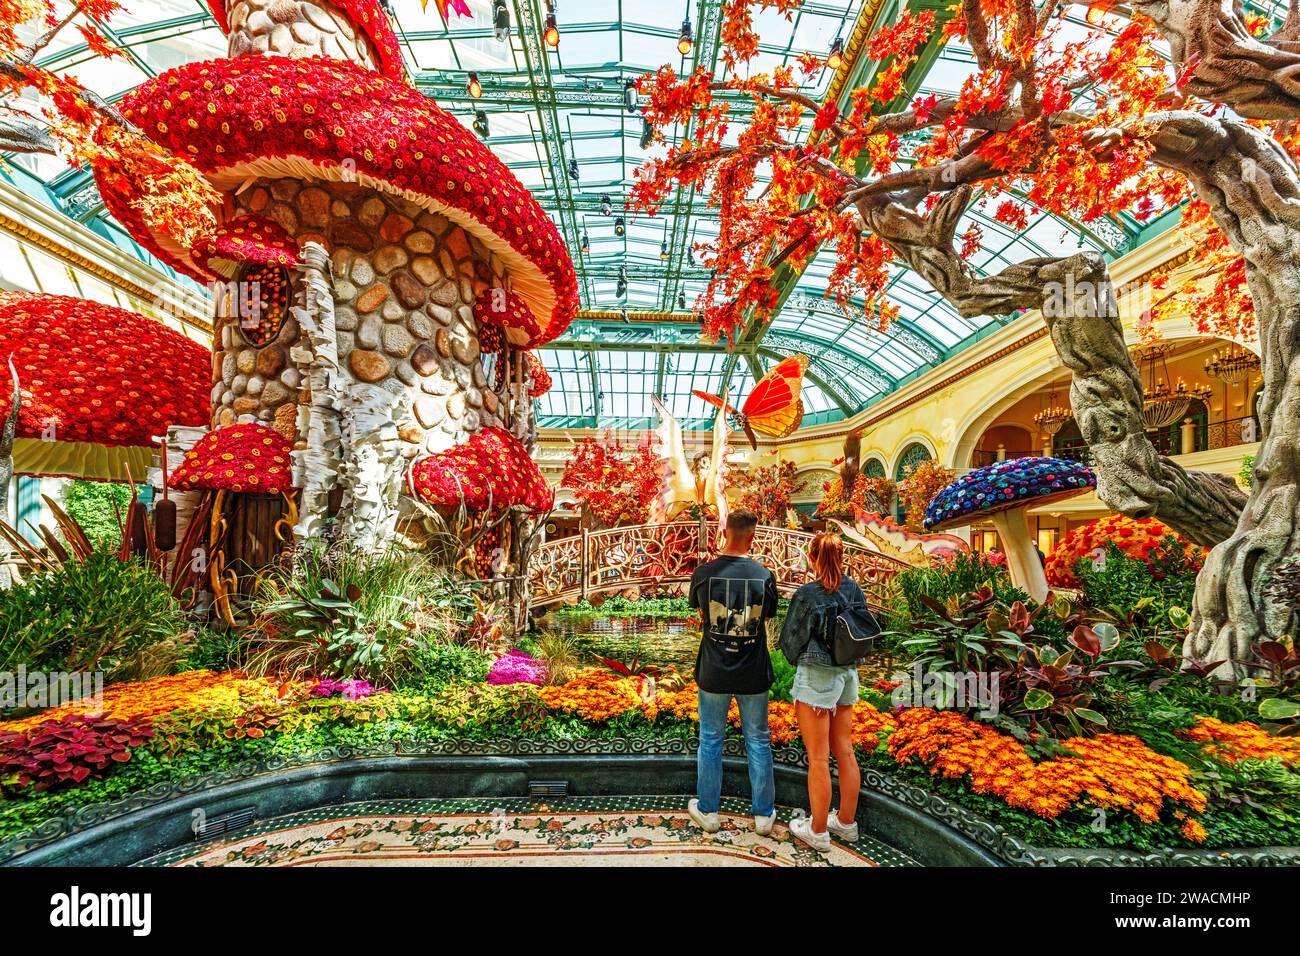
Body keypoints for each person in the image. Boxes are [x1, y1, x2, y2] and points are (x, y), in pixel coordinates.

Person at [687, 508, 779, 835]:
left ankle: (709, 812)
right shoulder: (764, 575)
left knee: (710, 740)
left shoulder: (703, 573)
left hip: (714, 671)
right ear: (753, 536)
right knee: (758, 740)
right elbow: (766, 615)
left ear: (723, 531)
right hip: (753, 672)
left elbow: (701, 613)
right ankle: (764, 816)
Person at [777, 531, 864, 852]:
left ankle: (817, 831)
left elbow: (790, 640)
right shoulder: (853, 588)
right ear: (842, 557)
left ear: (812, 557)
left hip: (817, 676)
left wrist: (793, 657)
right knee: (844, 750)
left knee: (817, 758)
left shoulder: (808, 594)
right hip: (847, 673)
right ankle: (845, 823)